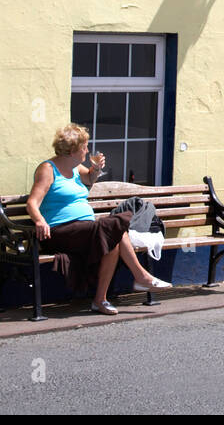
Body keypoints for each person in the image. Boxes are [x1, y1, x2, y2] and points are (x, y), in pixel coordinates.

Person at [27, 124, 171, 315]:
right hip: (60, 231)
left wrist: (95, 169)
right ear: (71, 151)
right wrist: (39, 221)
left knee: (114, 239)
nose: (87, 150)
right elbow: (32, 203)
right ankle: (140, 276)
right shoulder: (48, 169)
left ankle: (101, 300)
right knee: (114, 227)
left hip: (84, 230)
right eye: (84, 147)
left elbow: (89, 179)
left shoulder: (75, 167)